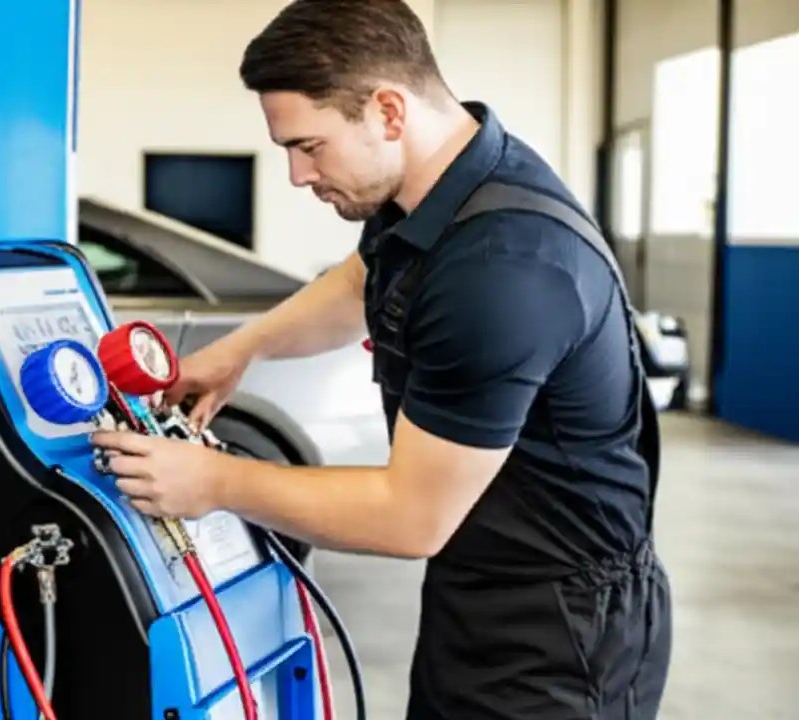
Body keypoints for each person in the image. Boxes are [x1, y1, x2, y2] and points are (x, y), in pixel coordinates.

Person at [89, 0, 673, 718]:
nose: (300, 176)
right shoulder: (438, 187)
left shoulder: (501, 266)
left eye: (310, 147)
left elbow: (409, 516)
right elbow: (358, 281)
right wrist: (239, 351)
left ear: (390, 112)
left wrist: (214, 480)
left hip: (561, 633)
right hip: (480, 586)